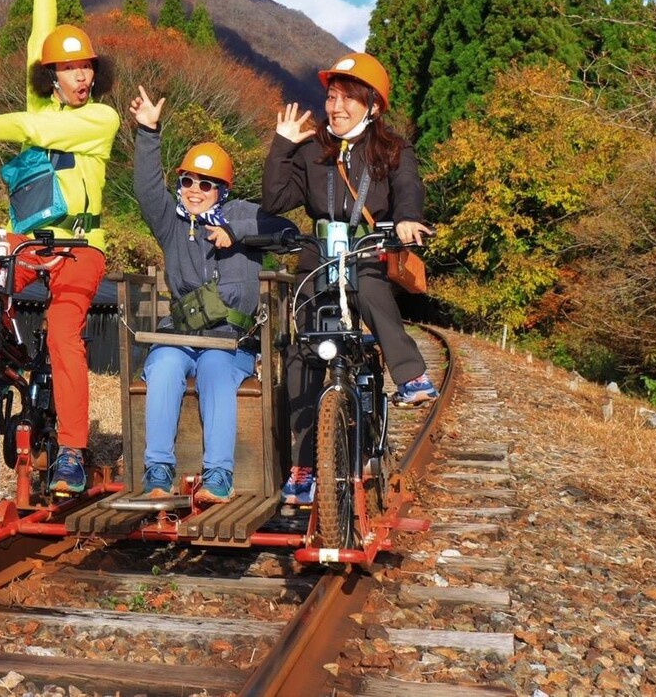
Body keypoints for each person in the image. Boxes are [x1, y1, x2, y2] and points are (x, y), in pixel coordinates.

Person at [0, 0, 120, 495]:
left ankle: (72, 449)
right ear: (52, 76)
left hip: (81, 246)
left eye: (85, 65)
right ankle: (1, 362)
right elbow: (37, 42)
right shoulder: (42, 97)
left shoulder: (100, 118)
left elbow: (38, 131)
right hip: (29, 239)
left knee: (64, 332)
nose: (79, 75)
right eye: (68, 67)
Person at [261, 52, 436, 507]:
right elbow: (276, 199)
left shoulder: (394, 150)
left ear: (372, 106)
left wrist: (406, 221)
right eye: (331, 97)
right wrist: (282, 145)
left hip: (367, 253)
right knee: (303, 354)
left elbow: (408, 191)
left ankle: (412, 376)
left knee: (371, 289)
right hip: (318, 257)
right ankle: (302, 465)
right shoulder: (311, 150)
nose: (335, 107)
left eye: (347, 99)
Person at [130, 87, 295, 504]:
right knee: (164, 365)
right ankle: (158, 469)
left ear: (222, 188)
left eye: (206, 183)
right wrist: (148, 133)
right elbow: (149, 192)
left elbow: (289, 235)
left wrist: (235, 234)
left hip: (230, 338)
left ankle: (219, 474)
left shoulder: (242, 214)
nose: (194, 190)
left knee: (216, 371)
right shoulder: (173, 223)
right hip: (182, 334)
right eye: (187, 181)